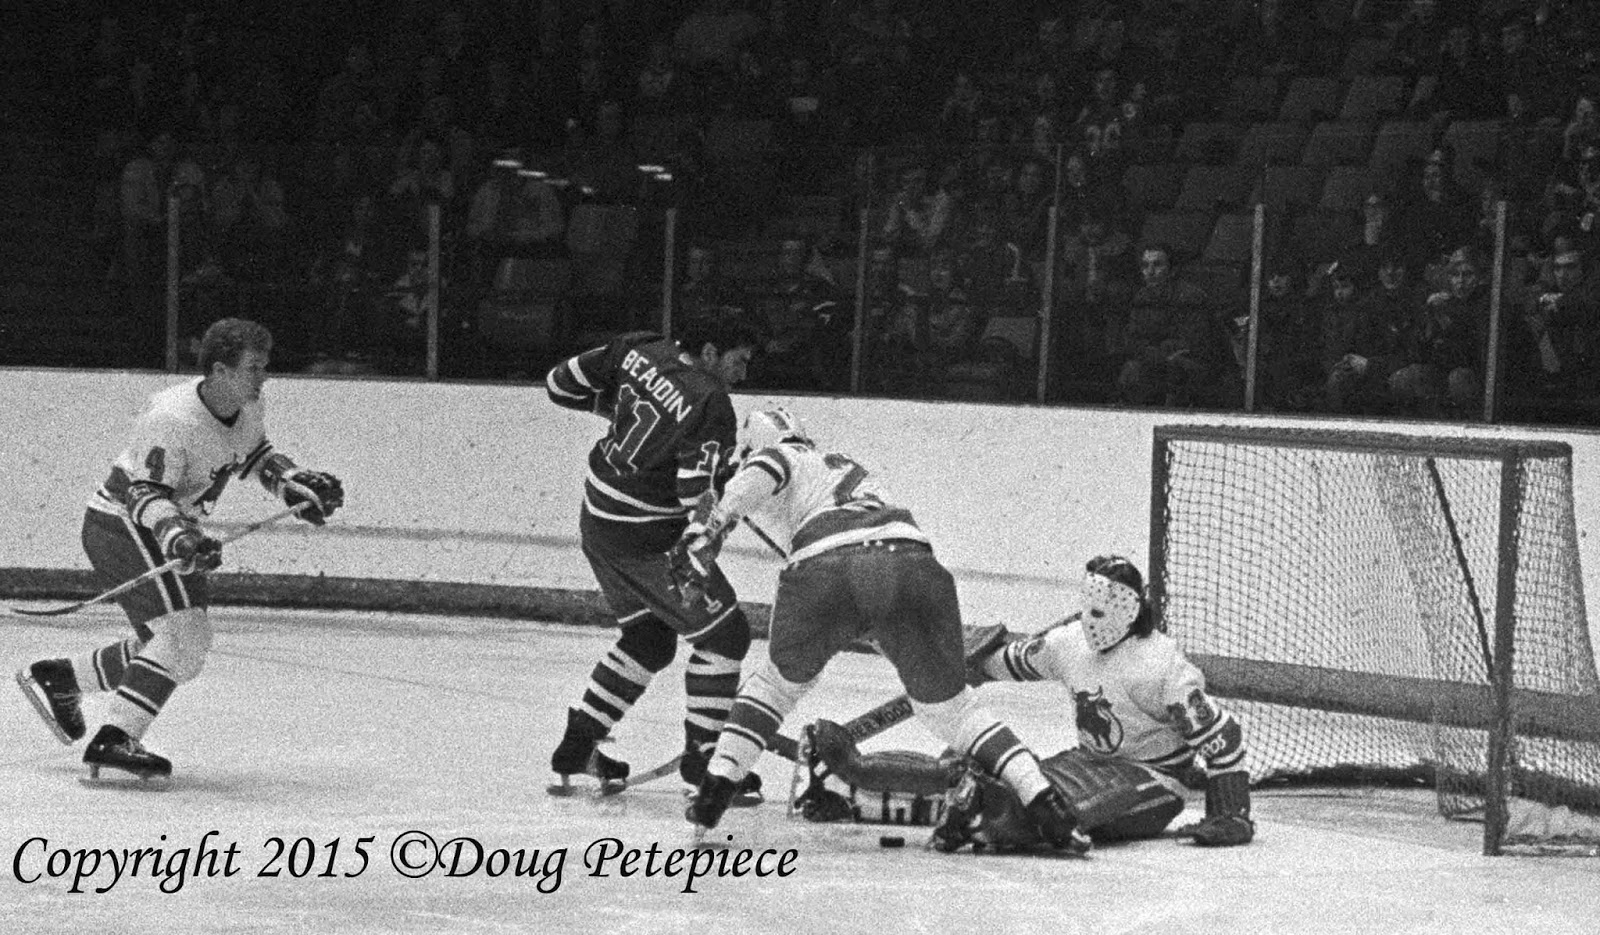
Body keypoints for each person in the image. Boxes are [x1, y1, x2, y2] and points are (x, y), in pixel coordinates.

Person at [673, 408, 1089, 854]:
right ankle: (1044, 801)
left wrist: (711, 526)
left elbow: (766, 467)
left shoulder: (780, 456)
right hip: (913, 563)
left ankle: (714, 792)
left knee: (775, 687)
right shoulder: (844, 466)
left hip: (826, 567)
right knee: (952, 710)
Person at [15, 318, 345, 782]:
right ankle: (114, 737)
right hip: (123, 526)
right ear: (219, 371)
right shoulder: (171, 417)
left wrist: (291, 485)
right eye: (253, 368)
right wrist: (181, 537)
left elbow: (254, 457)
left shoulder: (247, 405)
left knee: (177, 647)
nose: (263, 377)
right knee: (184, 639)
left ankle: (62, 678)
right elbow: (143, 494)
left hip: (161, 527)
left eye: (263, 367)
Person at [809, 555, 1255, 852]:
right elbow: (1007, 663)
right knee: (1001, 778)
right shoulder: (1068, 644)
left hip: (1155, 779)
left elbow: (1222, 736)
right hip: (1088, 759)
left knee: (1062, 809)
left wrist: (1229, 813)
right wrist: (962, 663)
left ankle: (985, 816)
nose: (1088, 622)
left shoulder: (1162, 665)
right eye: (1085, 609)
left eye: (1099, 614)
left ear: (1129, 612)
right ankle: (855, 777)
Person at [544, 315, 765, 798]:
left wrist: (628, 417)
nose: (742, 374)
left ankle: (577, 747)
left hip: (598, 516)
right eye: (738, 360)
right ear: (709, 352)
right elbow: (695, 501)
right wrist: (727, 494)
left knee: (649, 639)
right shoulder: (711, 403)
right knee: (726, 637)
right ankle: (706, 764)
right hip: (645, 536)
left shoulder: (638, 347)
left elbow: (559, 385)